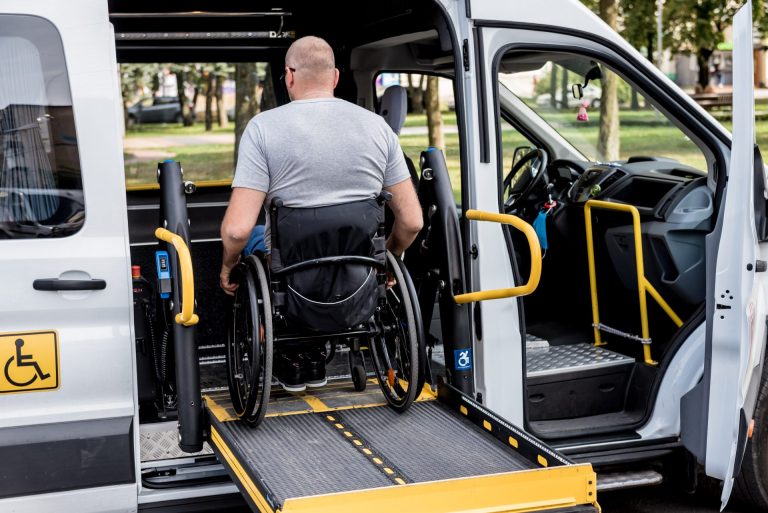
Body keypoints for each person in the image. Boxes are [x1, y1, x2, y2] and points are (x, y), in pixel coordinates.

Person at [219, 36, 423, 392]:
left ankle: (292, 352)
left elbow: (236, 230)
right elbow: (412, 221)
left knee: (254, 239)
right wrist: (391, 257)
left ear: (289, 76)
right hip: (360, 274)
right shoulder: (379, 129)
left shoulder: (263, 129)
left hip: (292, 278)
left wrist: (227, 266)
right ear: (335, 78)